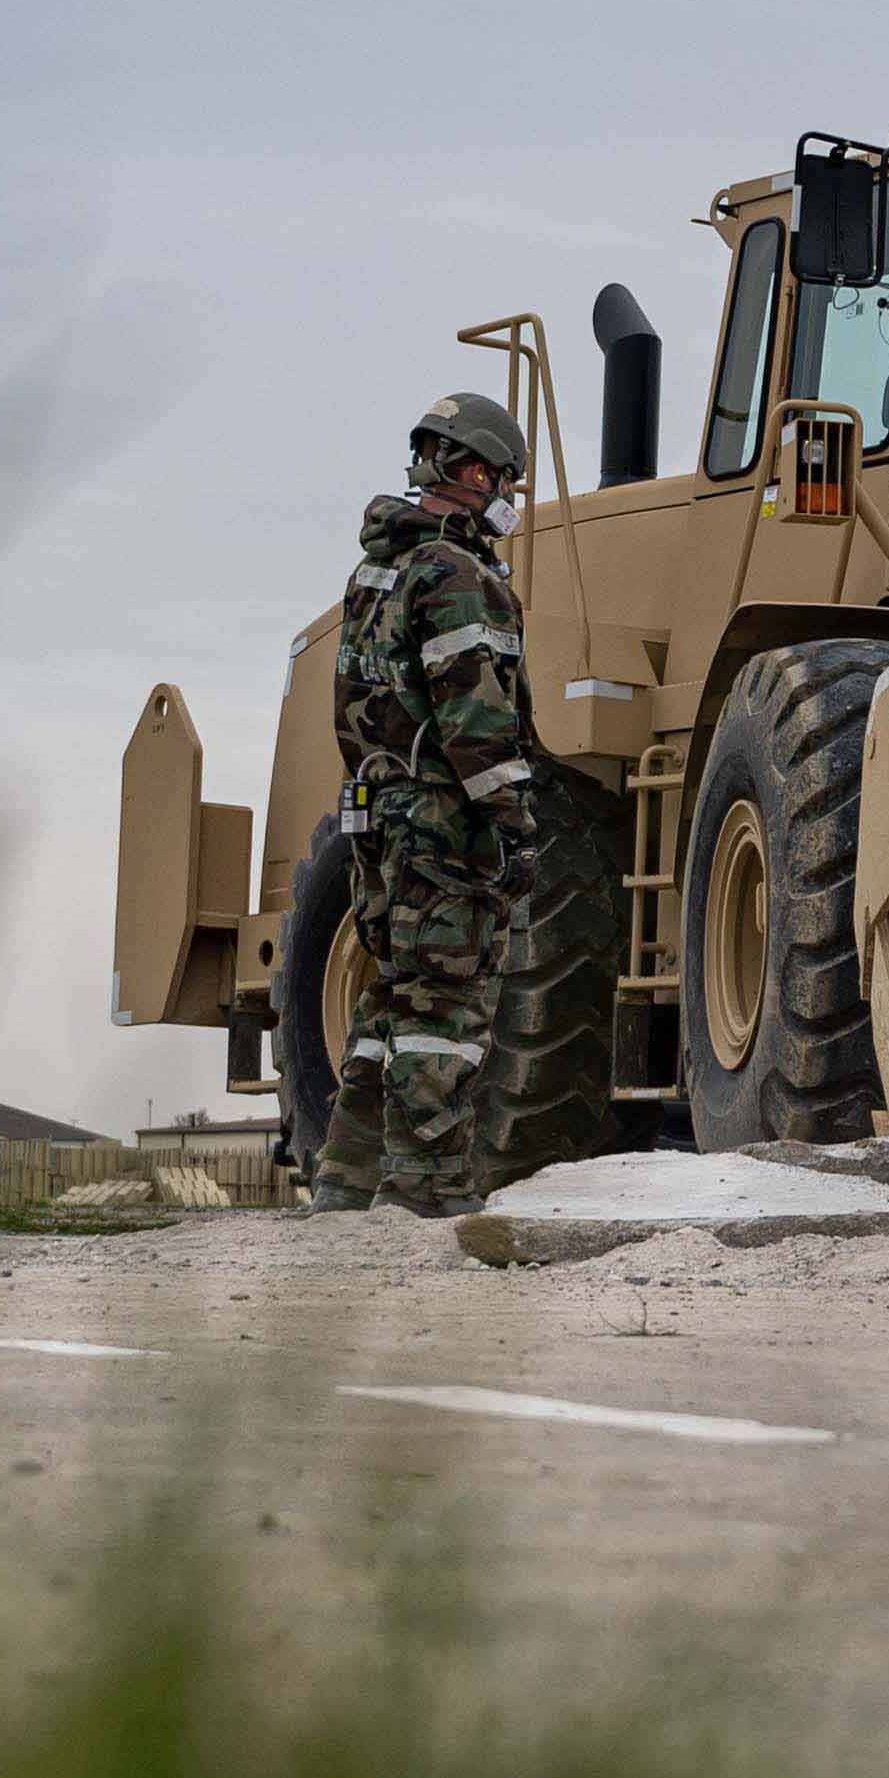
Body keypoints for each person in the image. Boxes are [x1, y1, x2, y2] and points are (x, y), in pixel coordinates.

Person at [307, 391, 541, 1217]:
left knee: (390, 1002)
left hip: (381, 820)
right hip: (447, 830)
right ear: (474, 471)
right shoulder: (456, 576)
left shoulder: (377, 571)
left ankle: (345, 1180)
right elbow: (476, 725)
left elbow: (351, 710)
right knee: (445, 1013)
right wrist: (513, 829)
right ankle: (427, 1191)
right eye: (505, 477)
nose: (508, 494)